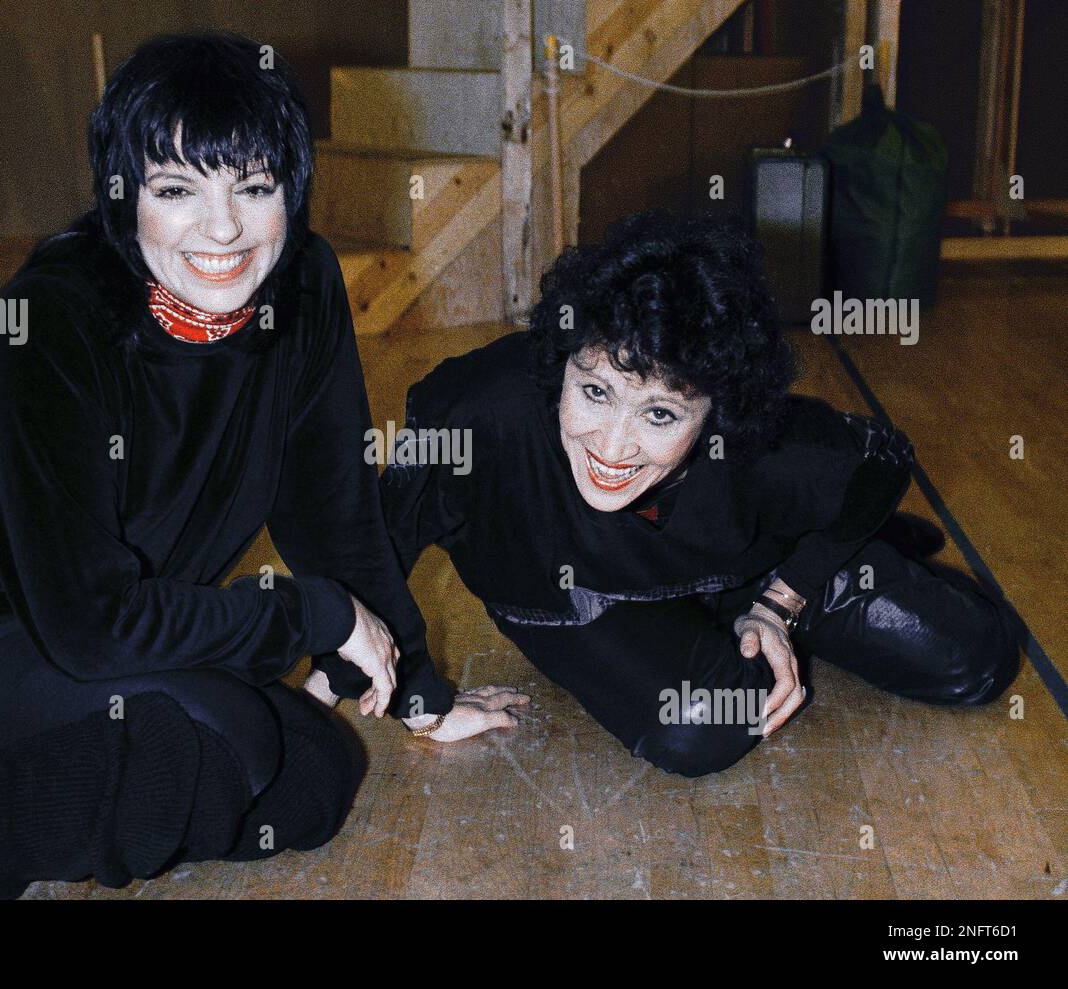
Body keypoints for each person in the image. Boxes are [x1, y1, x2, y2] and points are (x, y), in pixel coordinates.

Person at [0, 31, 526, 900]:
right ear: (124, 197)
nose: (223, 229)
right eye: (177, 189)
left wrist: (417, 688)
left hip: (104, 633)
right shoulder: (54, 316)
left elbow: (335, 512)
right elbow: (89, 623)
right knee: (211, 737)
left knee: (312, 775)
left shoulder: (305, 286)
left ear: (292, 189)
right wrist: (303, 613)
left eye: (254, 185)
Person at [377, 209, 1022, 778]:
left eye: (660, 415)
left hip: (745, 567)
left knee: (973, 660)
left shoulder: (758, 445)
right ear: (562, 365)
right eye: (595, 393)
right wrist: (421, 702)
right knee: (700, 729)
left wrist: (781, 601)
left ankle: (841, 552)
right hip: (570, 594)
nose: (613, 446)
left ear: (718, 410)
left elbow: (883, 462)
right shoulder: (479, 413)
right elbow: (371, 541)